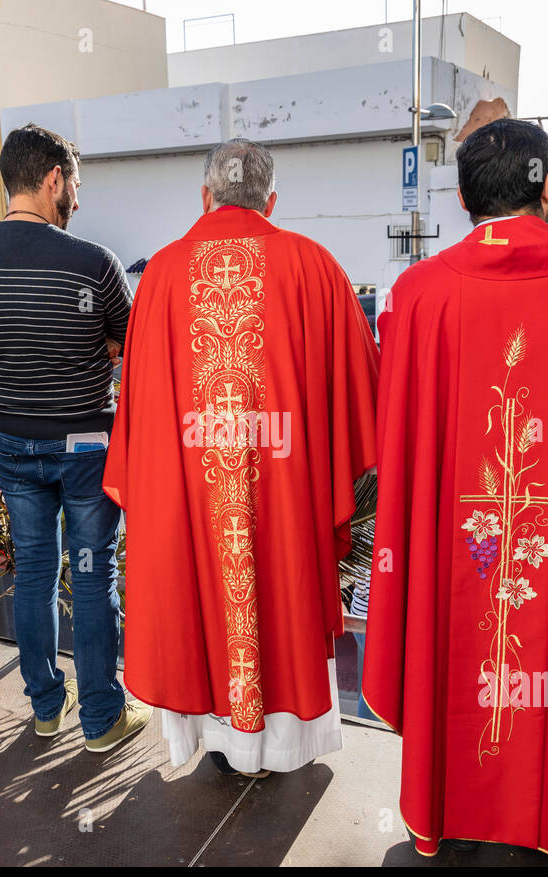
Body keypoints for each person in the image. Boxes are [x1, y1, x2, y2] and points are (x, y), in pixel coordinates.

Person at [363, 118, 548, 860]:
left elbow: (395, 446)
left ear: (463, 197)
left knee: (457, 649)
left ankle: (447, 805)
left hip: (447, 551)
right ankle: (547, 813)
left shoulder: (420, 293)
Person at [102, 138, 380, 776]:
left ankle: (211, 739)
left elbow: (139, 411)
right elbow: (364, 387)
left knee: (198, 594)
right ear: (271, 200)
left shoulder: (162, 276)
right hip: (286, 495)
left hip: (191, 500)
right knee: (281, 592)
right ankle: (282, 746)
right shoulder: (316, 267)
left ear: (205, 197)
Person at [0, 124, 148, 752]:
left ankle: (45, 706)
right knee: (92, 574)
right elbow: (127, 348)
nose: (78, 201)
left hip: (10, 440)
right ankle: (100, 719)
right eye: (75, 186)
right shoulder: (92, 262)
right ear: (53, 179)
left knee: (34, 571)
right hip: (87, 440)